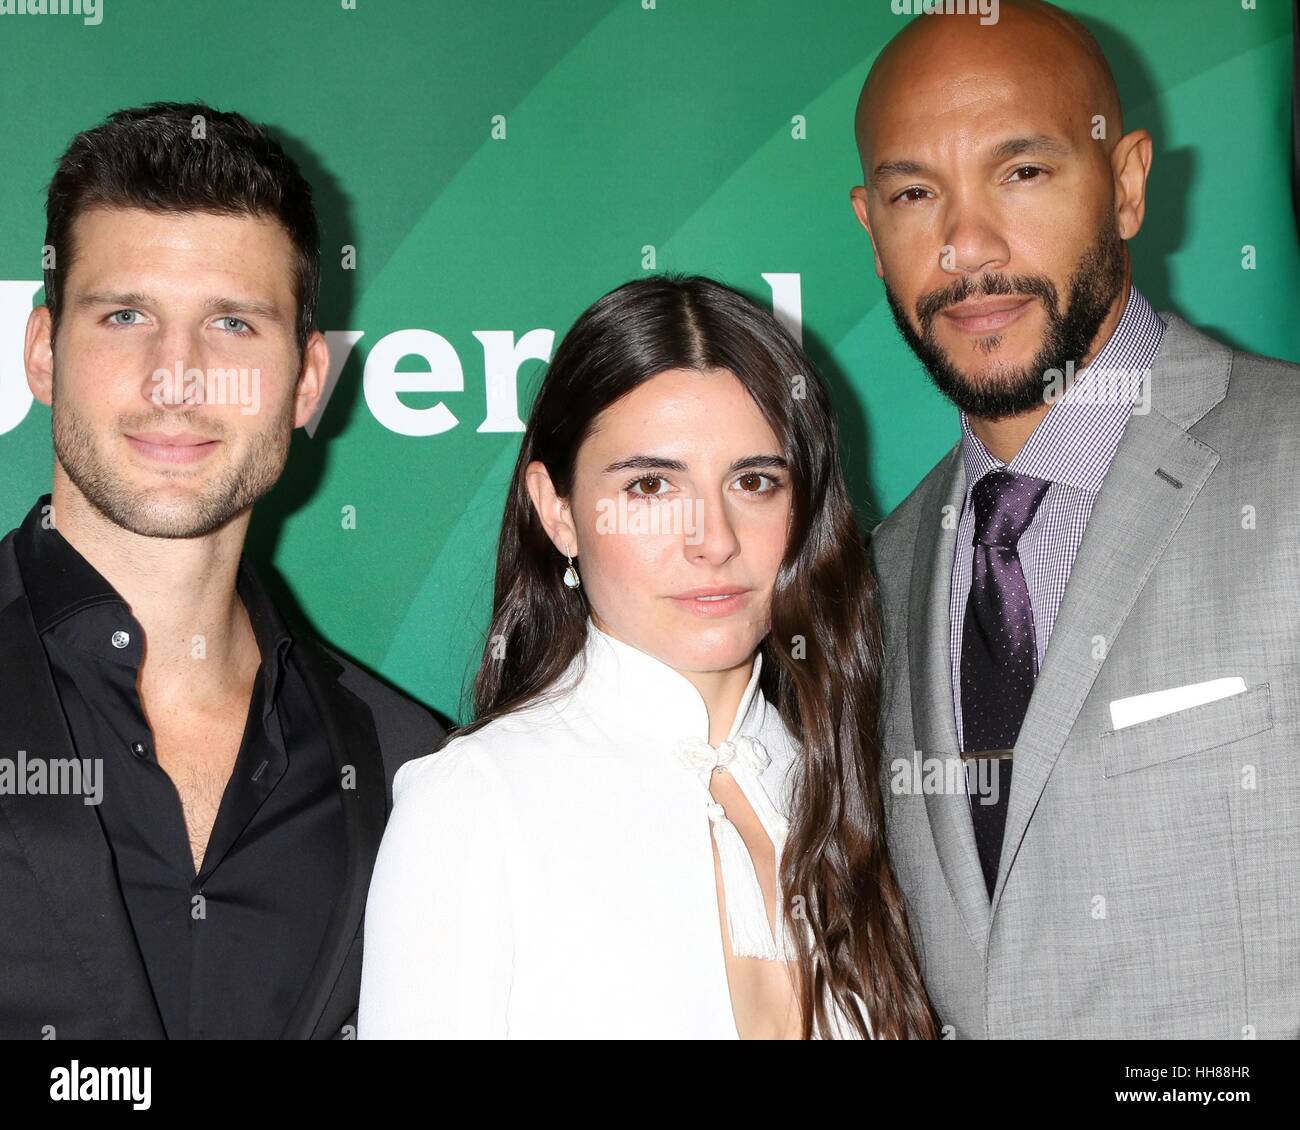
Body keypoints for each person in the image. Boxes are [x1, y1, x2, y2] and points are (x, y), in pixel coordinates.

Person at [852, 1, 1300, 1037]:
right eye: (915, 191)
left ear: (1128, 182)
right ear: (871, 231)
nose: (966, 243)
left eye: (1021, 171)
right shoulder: (875, 575)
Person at [359, 274, 936, 1039]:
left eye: (756, 481)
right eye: (652, 486)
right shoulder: (476, 801)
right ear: (557, 511)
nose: (714, 540)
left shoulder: (844, 780)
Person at [0, 102, 445, 1039]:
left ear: (306, 381)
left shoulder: (416, 767)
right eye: (125, 316)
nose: (177, 377)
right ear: (44, 352)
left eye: (233, 326)